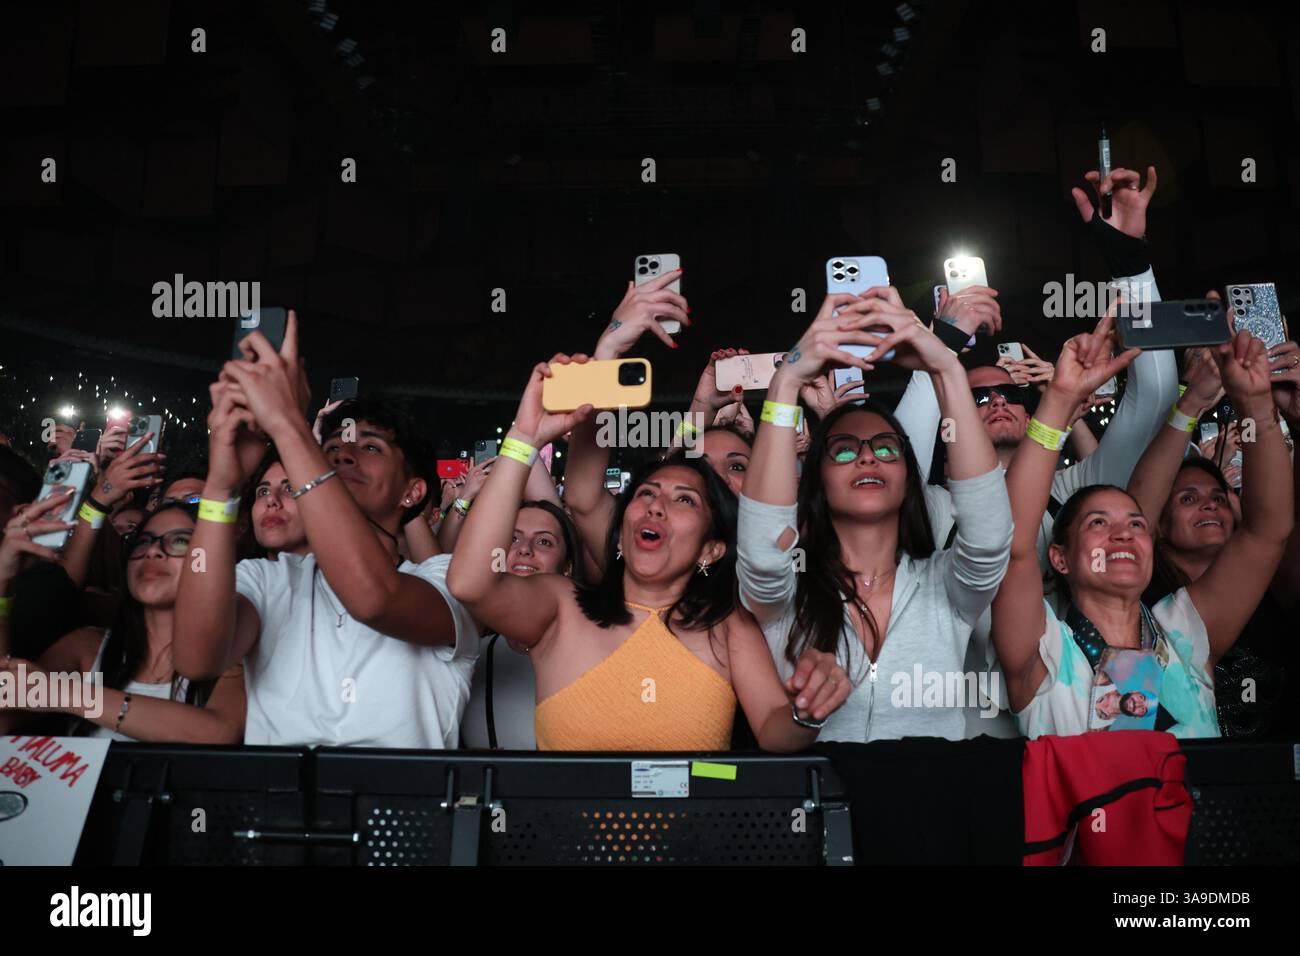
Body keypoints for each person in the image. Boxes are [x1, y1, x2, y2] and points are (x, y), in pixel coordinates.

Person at [448, 354, 852, 752]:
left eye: (685, 501)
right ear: (620, 534)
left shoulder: (729, 625)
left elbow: (773, 728)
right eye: (646, 494)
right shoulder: (560, 605)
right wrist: (523, 439)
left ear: (710, 550)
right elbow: (469, 583)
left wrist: (806, 712)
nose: (657, 506)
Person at [173, 314, 480, 748]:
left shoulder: (449, 580)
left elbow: (374, 598)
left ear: (412, 493)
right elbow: (196, 659)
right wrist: (222, 487)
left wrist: (289, 426)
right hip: (273, 807)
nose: (344, 457)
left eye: (370, 447)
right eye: (331, 449)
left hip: (400, 809)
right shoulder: (269, 579)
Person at [990, 318, 1293, 738]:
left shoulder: (1183, 631)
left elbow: (1267, 530)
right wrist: (1059, 401)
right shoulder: (1045, 649)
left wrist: (1257, 407)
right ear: (1058, 557)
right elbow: (1011, 543)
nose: (1124, 534)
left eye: (1136, 523)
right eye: (1099, 522)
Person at [737, 287, 1013, 742]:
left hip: (934, 803)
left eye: (886, 448)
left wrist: (945, 365)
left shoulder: (947, 584)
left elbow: (988, 536)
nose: (868, 458)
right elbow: (763, 552)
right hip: (822, 807)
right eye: (844, 451)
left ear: (909, 477)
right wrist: (786, 381)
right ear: (818, 480)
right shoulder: (789, 591)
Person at [1127, 338, 1300, 737]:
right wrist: (1190, 405)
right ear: (1160, 526)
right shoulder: (1150, 612)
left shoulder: (1267, 585)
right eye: (1188, 498)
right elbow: (1134, 516)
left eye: (1218, 497)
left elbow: (1269, 524)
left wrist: (1256, 405)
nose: (1209, 506)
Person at [1, 502, 245, 742]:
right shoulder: (86, 647)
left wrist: (64, 694)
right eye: (142, 542)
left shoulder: (232, 653)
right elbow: (4, 718)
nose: (152, 551)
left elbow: (218, 733)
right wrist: (3, 582)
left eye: (180, 541)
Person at [461, 500, 585, 749]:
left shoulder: (594, 648)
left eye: (544, 542)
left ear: (568, 566)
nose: (525, 550)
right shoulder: (473, 653)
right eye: (513, 538)